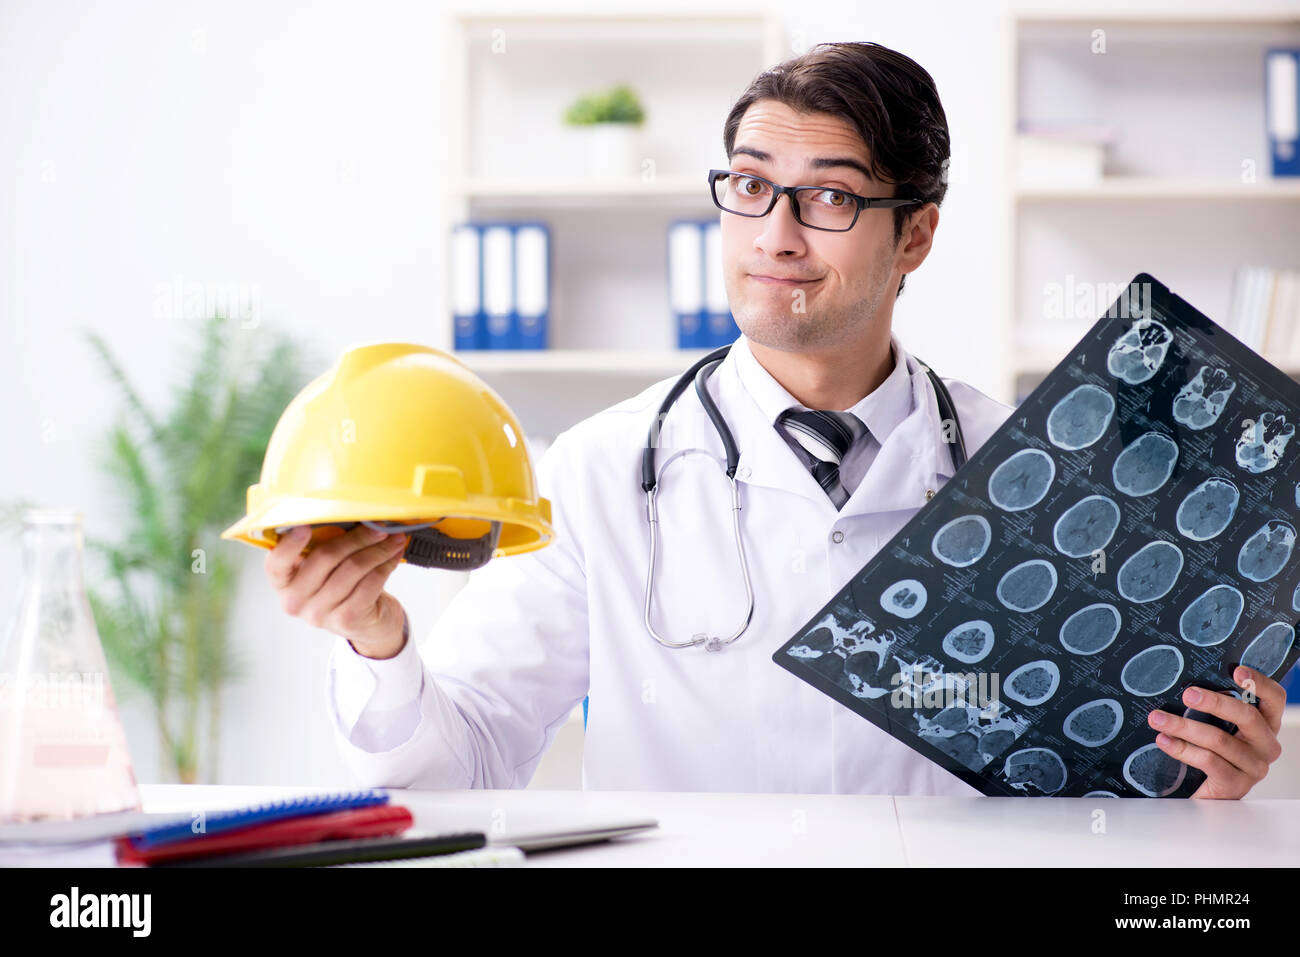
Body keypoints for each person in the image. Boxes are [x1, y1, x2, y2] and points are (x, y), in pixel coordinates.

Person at [263, 41, 1284, 797]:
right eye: (750, 187)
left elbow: (1103, 804)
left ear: (915, 234)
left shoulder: (1035, 466)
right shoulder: (601, 470)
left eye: (827, 198)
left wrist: (1208, 784)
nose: (774, 236)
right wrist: (375, 640)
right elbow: (460, 768)